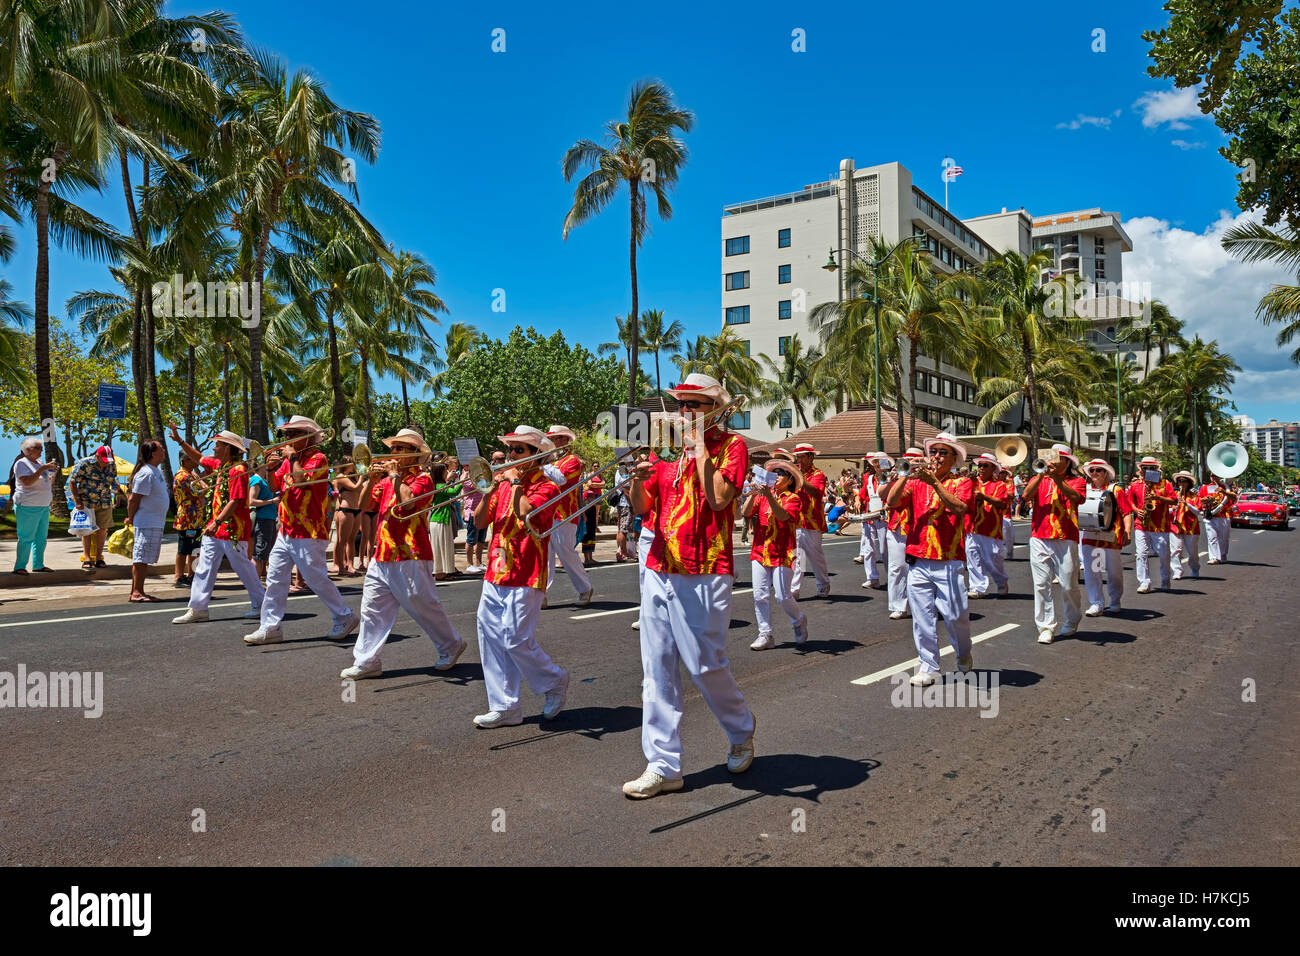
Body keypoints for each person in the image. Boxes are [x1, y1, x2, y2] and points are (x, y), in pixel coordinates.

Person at [623, 373, 756, 799]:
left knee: (705, 665)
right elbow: (646, 508)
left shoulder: (732, 447)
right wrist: (636, 478)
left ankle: (740, 730)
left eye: (696, 404)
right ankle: (663, 764)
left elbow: (719, 499)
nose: (686, 412)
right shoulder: (666, 449)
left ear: (715, 408)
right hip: (661, 564)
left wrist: (699, 450)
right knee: (656, 668)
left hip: (706, 568)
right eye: (683, 405)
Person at [341, 429, 466, 680]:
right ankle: (367, 660)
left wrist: (395, 477)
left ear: (414, 454)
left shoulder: (423, 479)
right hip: (383, 552)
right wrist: (369, 479)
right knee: (371, 608)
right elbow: (364, 506)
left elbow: (407, 503)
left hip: (412, 552)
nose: (393, 453)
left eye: (400, 449)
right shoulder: (386, 480)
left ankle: (451, 644)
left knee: (423, 604)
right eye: (393, 448)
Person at [471, 425, 569, 728]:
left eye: (519, 451)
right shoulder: (501, 485)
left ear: (536, 455)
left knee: (515, 639)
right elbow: (479, 521)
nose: (511, 455)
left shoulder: (547, 487)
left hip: (527, 572)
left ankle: (554, 680)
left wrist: (513, 484)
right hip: (495, 571)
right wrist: (487, 491)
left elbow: (528, 516)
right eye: (511, 450)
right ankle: (505, 706)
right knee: (490, 639)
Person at [241, 416, 359, 645]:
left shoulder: (319, 458)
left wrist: (292, 458)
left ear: (307, 436)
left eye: (293, 434)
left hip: (308, 531)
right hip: (286, 529)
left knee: (316, 578)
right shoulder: (287, 460)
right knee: (275, 577)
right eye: (286, 435)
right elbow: (276, 487)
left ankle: (344, 616)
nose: (287, 439)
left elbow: (299, 480)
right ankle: (270, 626)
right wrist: (269, 467)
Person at [885, 432, 975, 686]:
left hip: (949, 559)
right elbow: (892, 502)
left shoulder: (963, 483)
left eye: (942, 452)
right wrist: (903, 476)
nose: (935, 457)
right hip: (918, 558)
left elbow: (960, 508)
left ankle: (963, 651)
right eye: (933, 452)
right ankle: (928, 665)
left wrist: (935, 482)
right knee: (922, 617)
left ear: (954, 458)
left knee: (956, 615)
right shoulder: (914, 483)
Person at [170, 428, 265, 624]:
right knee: (204, 567)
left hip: (233, 530)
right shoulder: (221, 465)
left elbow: (236, 500)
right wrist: (180, 441)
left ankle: (262, 604)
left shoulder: (238, 469)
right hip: (215, 529)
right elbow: (199, 459)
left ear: (228, 448)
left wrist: (217, 522)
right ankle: (198, 609)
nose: (214, 446)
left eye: (218, 444)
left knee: (244, 569)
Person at [1023, 444, 1087, 644]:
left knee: (1068, 584)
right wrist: (1042, 475)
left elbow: (1077, 498)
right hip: (1039, 537)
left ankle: (1073, 617)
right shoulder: (1038, 478)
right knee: (1041, 584)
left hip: (1065, 537)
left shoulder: (1077, 480)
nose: (1052, 461)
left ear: (1067, 462)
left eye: (1057, 458)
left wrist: (1058, 480)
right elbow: (1025, 497)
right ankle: (1045, 626)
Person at [743, 459, 808, 650]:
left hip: (783, 552)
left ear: (789, 480)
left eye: (781, 474)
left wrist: (768, 497)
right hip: (760, 551)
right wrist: (753, 494)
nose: (777, 476)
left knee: (783, 596)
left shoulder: (793, 498)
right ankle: (765, 634)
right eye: (775, 473)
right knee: (759, 595)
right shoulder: (763, 495)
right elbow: (745, 513)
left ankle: (798, 620)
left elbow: (782, 516)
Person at [543, 425, 595, 607]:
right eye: (550, 439)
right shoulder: (552, 461)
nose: (552, 442)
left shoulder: (573, 461)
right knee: (545, 555)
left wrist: (543, 463)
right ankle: (541, 594)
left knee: (566, 553)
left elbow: (561, 479)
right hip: (546, 513)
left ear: (564, 440)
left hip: (564, 514)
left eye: (555, 439)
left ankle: (584, 588)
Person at [1079, 458, 1132, 616]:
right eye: (1092, 470)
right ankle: (1096, 603)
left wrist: (1127, 531)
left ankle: (1115, 600)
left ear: (1106, 473)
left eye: (1098, 470)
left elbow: (1127, 512)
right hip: (1090, 536)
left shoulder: (1116, 490)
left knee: (1113, 572)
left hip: (1110, 536)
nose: (1094, 473)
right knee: (1093, 570)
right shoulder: (1085, 490)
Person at [125, 440, 169, 602]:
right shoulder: (146, 473)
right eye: (160, 448)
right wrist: (131, 518)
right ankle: (137, 592)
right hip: (146, 522)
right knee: (141, 557)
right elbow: (133, 499)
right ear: (152, 453)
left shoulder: (155, 471)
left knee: (144, 557)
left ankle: (138, 590)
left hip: (154, 522)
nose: (164, 450)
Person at [884, 448, 923, 620]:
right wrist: (892, 479)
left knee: (918, 569)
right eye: (906, 462)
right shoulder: (898, 480)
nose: (908, 465)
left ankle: (922, 604)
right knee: (897, 567)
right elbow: (886, 498)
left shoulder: (924, 481)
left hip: (918, 528)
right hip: (897, 526)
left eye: (911, 462)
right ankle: (898, 605)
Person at [965, 453, 1011, 598]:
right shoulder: (970, 482)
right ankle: (977, 588)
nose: (981, 468)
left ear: (993, 468)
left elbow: (1003, 504)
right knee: (972, 558)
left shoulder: (1000, 485)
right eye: (979, 465)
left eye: (985, 465)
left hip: (991, 528)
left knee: (993, 560)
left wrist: (984, 497)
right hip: (972, 527)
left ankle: (1001, 581)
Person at [1129, 455, 1177, 594]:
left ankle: (1165, 579)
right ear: (1141, 469)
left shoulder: (1165, 483)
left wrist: (1158, 497)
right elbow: (1129, 502)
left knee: (1163, 554)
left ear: (1156, 469)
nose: (1148, 470)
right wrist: (1137, 510)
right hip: (1141, 524)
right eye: (1145, 467)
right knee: (1141, 553)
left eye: (1151, 467)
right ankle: (1144, 582)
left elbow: (1174, 501)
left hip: (1159, 525)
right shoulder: (1135, 485)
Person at [11, 437, 58, 574]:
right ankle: (20, 566)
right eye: (38, 448)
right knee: (26, 537)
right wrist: (43, 468)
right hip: (27, 505)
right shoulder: (21, 463)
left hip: (43, 505)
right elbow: (27, 482)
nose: (41, 451)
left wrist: (52, 473)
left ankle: (38, 564)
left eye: (41, 448)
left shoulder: (39, 463)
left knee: (41, 538)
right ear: (28, 450)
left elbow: (47, 483)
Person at [790, 442, 831, 599]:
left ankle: (823, 584)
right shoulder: (795, 474)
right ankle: (794, 589)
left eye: (801, 457)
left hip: (812, 522)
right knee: (796, 557)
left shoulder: (818, 474)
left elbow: (815, 492)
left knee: (816, 557)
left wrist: (798, 476)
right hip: (795, 521)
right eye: (797, 457)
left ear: (811, 457)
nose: (798, 461)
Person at [68, 445, 118, 569]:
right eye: (104, 461)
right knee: (87, 530)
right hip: (87, 502)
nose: (106, 464)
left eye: (108, 461)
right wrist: (77, 500)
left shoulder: (112, 464)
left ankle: (99, 558)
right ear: (97, 456)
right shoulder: (84, 463)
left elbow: (112, 481)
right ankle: (87, 558)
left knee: (102, 530)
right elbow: (72, 481)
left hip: (105, 501)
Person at [172, 450, 207, 586]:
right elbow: (201, 490)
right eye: (192, 458)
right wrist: (203, 483)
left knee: (194, 548)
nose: (196, 461)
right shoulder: (184, 476)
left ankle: (191, 574)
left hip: (194, 517)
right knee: (184, 548)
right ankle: (179, 576)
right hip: (187, 517)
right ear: (185, 460)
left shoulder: (190, 474)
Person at [855, 454, 889, 592]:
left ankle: (891, 578)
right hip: (870, 516)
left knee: (885, 550)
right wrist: (858, 499)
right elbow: (862, 493)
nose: (877, 465)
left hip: (884, 517)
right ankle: (872, 578)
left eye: (880, 462)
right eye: (875, 462)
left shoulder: (890, 478)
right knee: (869, 549)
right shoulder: (869, 478)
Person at [426, 461, 459, 580]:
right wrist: (460, 480)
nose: (447, 472)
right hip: (440, 519)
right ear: (440, 473)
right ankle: (440, 572)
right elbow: (453, 492)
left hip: (441, 519)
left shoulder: (438, 485)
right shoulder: (439, 486)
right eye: (445, 471)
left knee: (441, 546)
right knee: (441, 547)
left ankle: (442, 571)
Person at [332, 457, 364, 576]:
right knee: (342, 540)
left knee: (351, 540)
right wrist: (361, 476)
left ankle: (350, 565)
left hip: (356, 510)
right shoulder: (340, 477)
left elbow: (361, 490)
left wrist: (359, 477)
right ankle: (340, 567)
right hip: (346, 511)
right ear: (347, 464)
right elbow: (355, 488)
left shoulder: (352, 477)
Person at [248, 463, 280, 580]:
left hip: (269, 519)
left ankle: (257, 582)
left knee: (264, 553)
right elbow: (251, 501)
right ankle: (254, 583)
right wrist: (272, 501)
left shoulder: (264, 480)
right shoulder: (256, 480)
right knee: (258, 554)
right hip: (262, 519)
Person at [1169, 471, 1202, 581]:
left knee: (1192, 552)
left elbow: (1198, 511)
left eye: (1184, 481)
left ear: (1188, 483)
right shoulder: (1174, 495)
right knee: (1176, 550)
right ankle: (1177, 571)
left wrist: (1186, 503)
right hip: (1175, 526)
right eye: (1179, 481)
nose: (1181, 483)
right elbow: (1165, 511)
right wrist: (1172, 509)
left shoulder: (1194, 496)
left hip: (1190, 527)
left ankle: (1195, 569)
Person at [1200, 472, 1237, 564]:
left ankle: (1222, 556)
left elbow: (1234, 498)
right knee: (1211, 537)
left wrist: (1224, 491)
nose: (1213, 478)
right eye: (1212, 476)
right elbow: (1198, 499)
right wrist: (1205, 499)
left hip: (1224, 516)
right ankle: (1213, 558)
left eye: (1215, 476)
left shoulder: (1226, 487)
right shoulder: (1205, 487)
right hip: (1210, 515)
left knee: (1223, 538)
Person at [459, 460, 487, 573]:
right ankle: (469, 564)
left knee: (481, 538)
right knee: (471, 539)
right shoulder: (465, 476)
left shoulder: (479, 475)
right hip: (472, 512)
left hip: (482, 510)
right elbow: (477, 485)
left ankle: (478, 562)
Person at [579, 474, 602, 566]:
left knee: (592, 541)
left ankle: (591, 558)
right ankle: (586, 559)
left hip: (592, 527)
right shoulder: (586, 508)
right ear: (586, 499)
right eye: (590, 497)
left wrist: (596, 526)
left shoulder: (593, 508)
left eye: (593, 497)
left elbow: (595, 516)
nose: (593, 499)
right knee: (586, 542)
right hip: (586, 527)